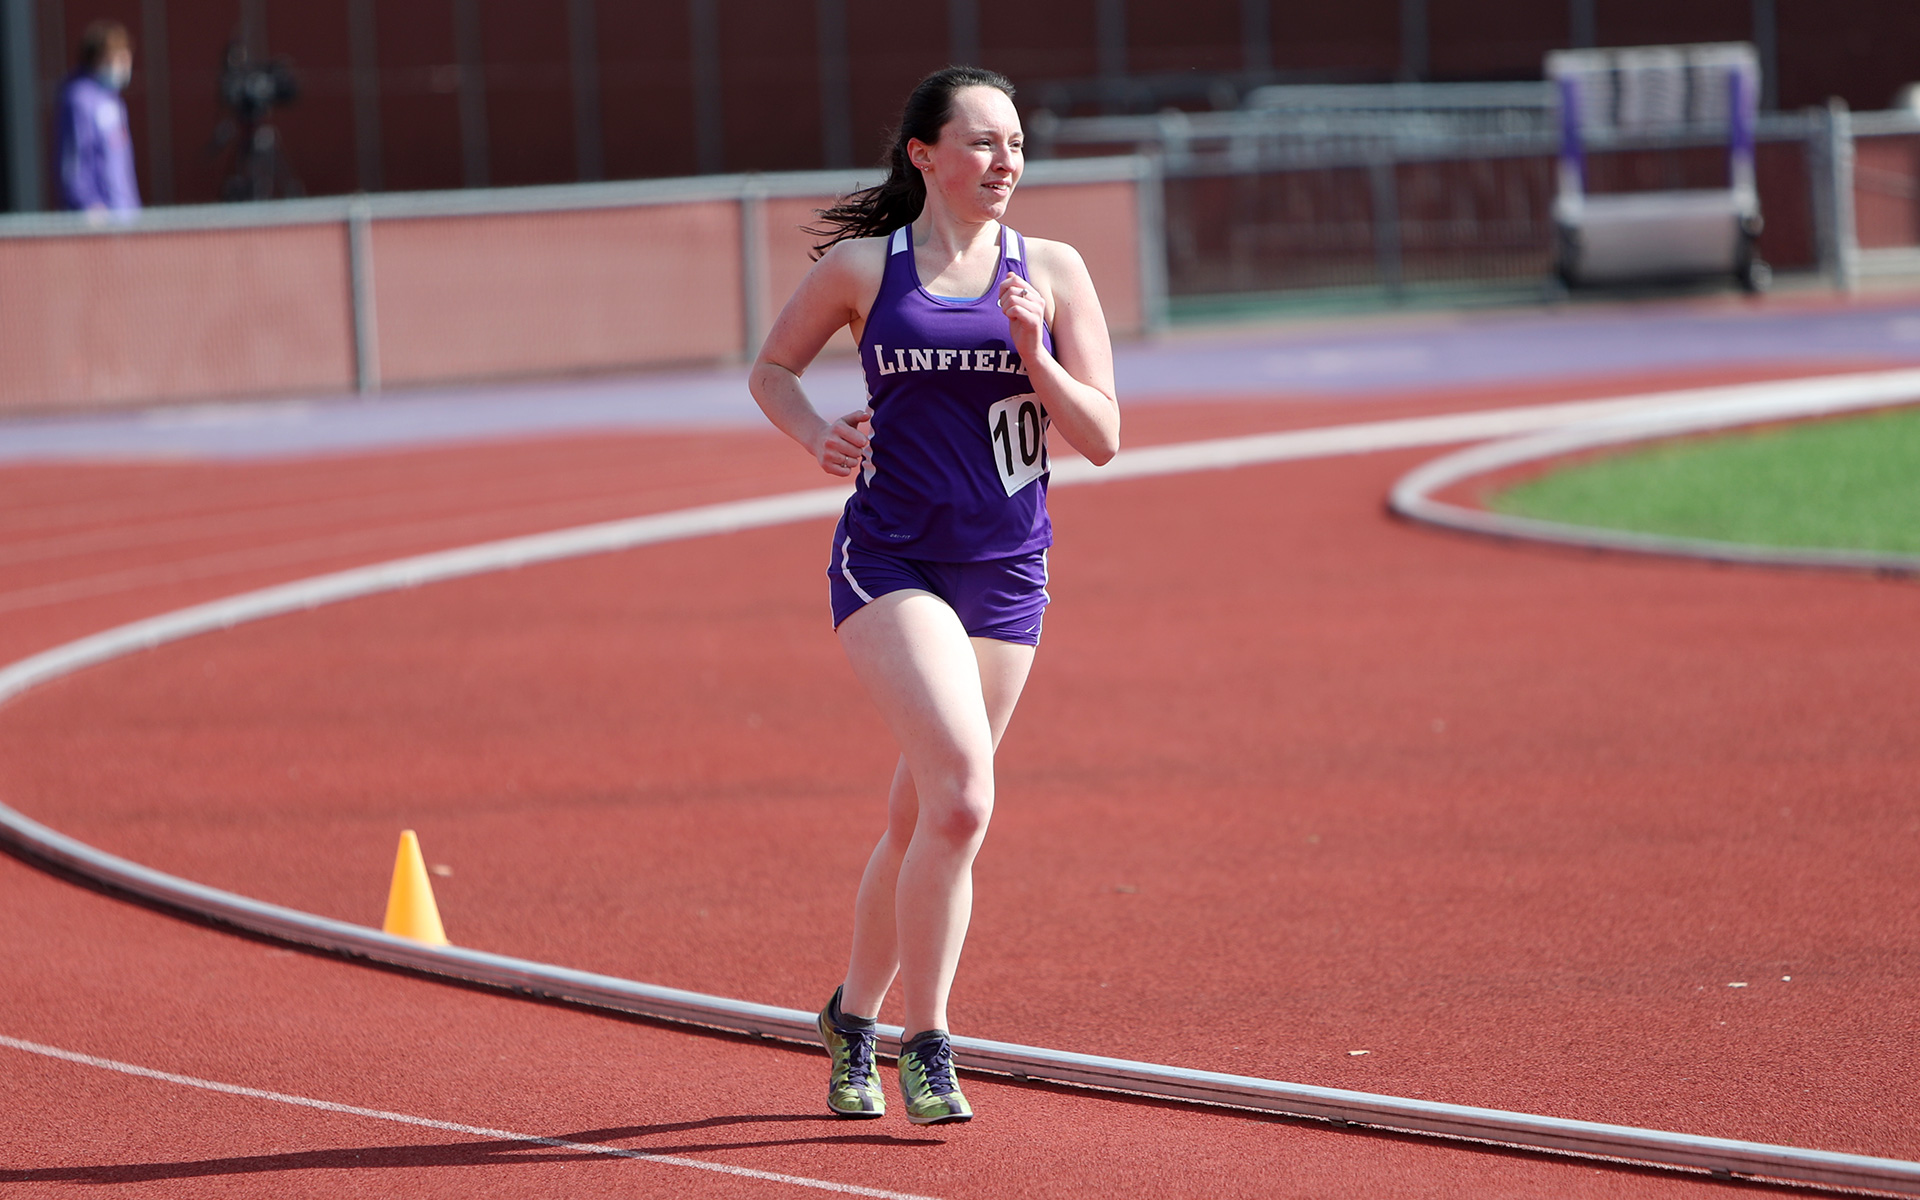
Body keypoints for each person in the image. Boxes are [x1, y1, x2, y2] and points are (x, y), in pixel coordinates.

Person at [748, 65, 1118, 1126]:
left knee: (923, 813)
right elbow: (771, 369)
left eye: (1016, 143)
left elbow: (1102, 439)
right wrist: (820, 433)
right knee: (961, 794)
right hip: (890, 559)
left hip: (1006, 569)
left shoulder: (1052, 269)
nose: (1006, 162)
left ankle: (849, 1019)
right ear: (925, 154)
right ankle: (932, 1042)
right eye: (984, 142)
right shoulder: (867, 269)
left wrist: (1035, 353)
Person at [56, 19, 141, 216]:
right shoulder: (79, 99)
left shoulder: (113, 100)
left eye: (125, 60)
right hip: (97, 217)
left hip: (123, 212)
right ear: (97, 59)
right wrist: (87, 203)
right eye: (116, 59)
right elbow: (73, 158)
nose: (123, 67)